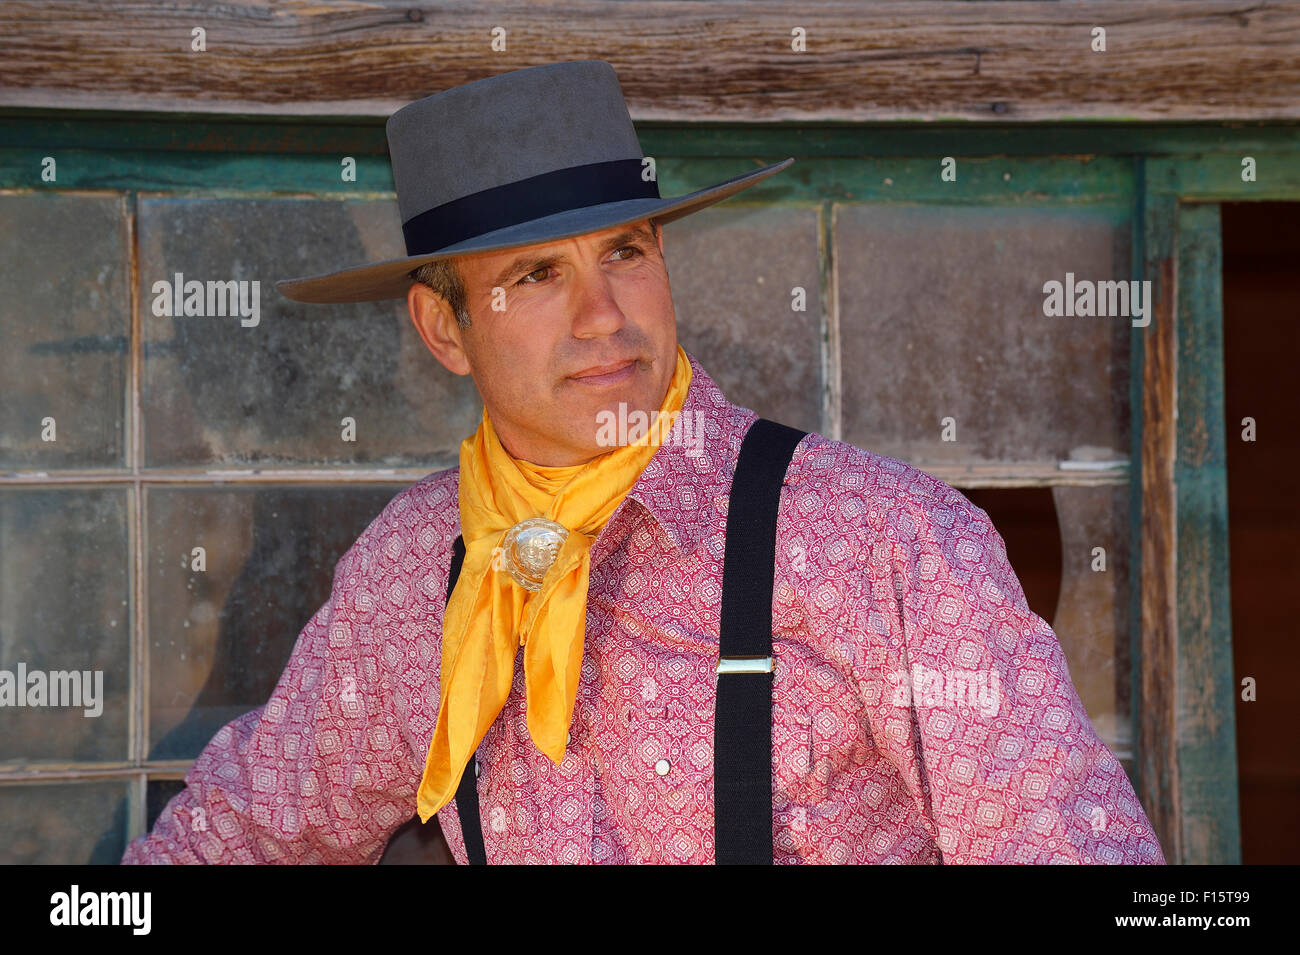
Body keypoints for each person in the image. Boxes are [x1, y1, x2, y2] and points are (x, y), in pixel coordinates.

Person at [121, 59, 1165, 864]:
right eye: (536, 275)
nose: (602, 315)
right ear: (443, 331)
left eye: (625, 251)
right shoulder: (412, 577)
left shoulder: (880, 541)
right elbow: (243, 837)